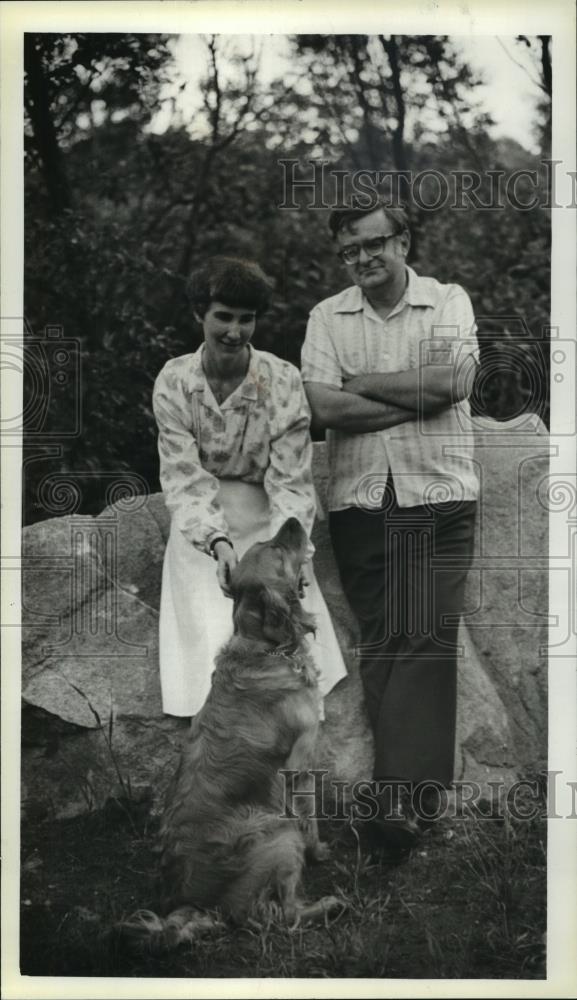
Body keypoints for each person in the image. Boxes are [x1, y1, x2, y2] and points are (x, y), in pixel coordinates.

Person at [301, 200, 479, 848]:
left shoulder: (446, 300)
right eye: (349, 252)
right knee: (382, 641)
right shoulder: (327, 316)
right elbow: (320, 403)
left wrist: (367, 382)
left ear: (401, 240)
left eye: (374, 244)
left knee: (425, 633)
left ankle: (396, 801)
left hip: (438, 494)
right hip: (360, 500)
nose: (363, 260)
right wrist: (408, 398)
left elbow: (453, 382)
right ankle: (412, 807)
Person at [153, 255, 347, 720]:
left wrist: (290, 554)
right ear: (199, 313)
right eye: (223, 317)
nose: (234, 332)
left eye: (246, 319)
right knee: (210, 622)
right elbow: (184, 476)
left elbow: (290, 476)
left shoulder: (281, 379)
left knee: (281, 610)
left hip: (266, 513)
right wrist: (216, 544)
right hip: (206, 518)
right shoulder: (175, 381)